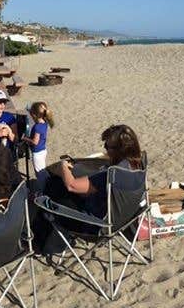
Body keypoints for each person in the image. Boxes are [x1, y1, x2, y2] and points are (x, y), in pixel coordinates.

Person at [37, 124, 148, 253]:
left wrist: (63, 167)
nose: (105, 150)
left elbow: (71, 185)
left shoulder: (112, 174)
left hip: (97, 226)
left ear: (119, 150)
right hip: (126, 219)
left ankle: (47, 243)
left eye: (107, 147)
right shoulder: (138, 164)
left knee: (54, 188)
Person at [26, 102, 54, 177]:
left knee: (40, 174)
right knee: (43, 171)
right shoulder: (45, 123)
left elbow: (35, 142)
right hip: (43, 150)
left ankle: (42, 188)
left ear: (34, 115)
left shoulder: (37, 127)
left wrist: (25, 138)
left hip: (37, 153)